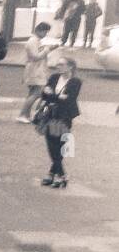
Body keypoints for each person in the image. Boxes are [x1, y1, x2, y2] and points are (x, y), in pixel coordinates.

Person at [36, 56, 81, 189]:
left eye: (61, 64)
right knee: (51, 143)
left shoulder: (75, 81)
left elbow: (69, 99)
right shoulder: (54, 77)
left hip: (64, 116)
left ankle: (55, 174)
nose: (58, 66)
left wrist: (53, 95)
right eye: (58, 64)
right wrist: (57, 96)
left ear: (70, 67)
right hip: (50, 115)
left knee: (59, 144)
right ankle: (59, 174)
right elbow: (44, 94)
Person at [17, 22, 52, 123]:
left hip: (36, 70)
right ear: (38, 30)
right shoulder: (32, 41)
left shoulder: (37, 41)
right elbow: (35, 56)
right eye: (44, 31)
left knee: (32, 93)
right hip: (34, 70)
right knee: (37, 93)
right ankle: (22, 114)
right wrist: (47, 50)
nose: (45, 34)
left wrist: (46, 49)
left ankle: (26, 115)